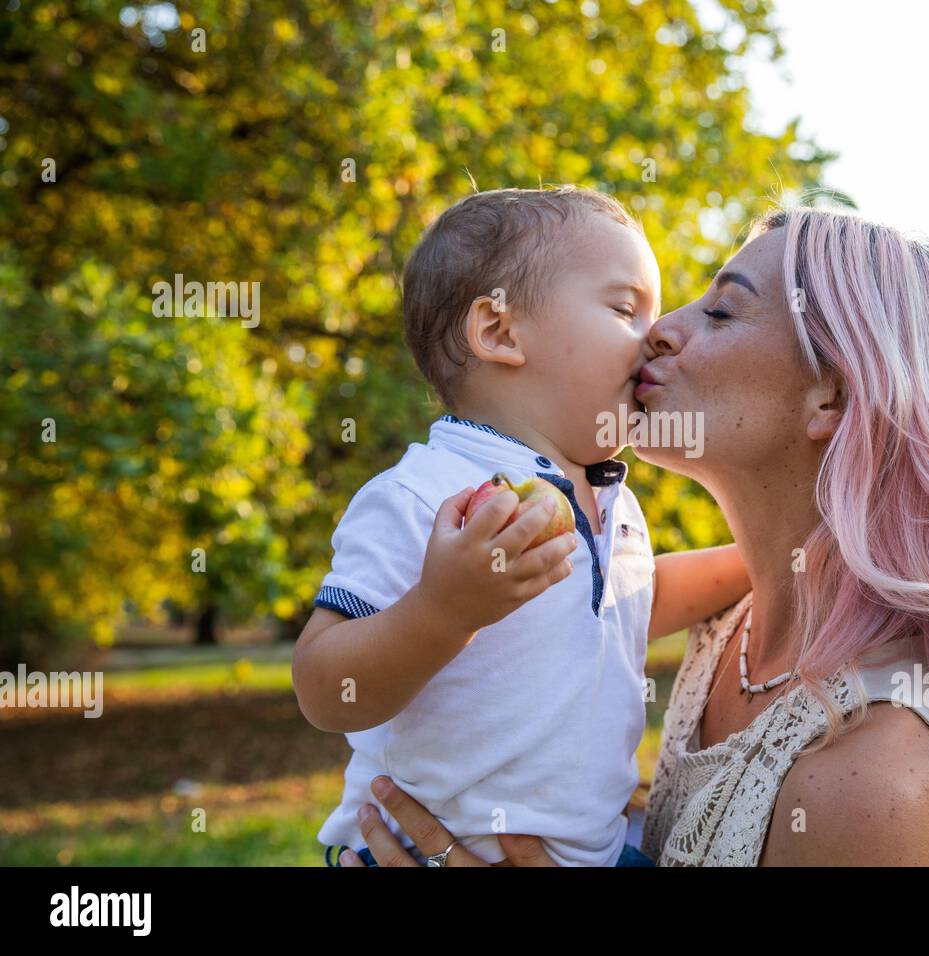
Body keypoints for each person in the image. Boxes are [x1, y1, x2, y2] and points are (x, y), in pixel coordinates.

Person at [342, 204, 929, 866]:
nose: (658, 332)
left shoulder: (877, 776)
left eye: (721, 312)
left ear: (831, 396)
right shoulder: (730, 632)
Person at [292, 186, 749, 868]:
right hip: (421, 852)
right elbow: (324, 687)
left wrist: (772, 559)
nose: (654, 335)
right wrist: (442, 612)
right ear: (501, 331)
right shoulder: (424, 494)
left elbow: (632, 603)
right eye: (625, 308)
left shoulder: (613, 502)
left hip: (594, 850)